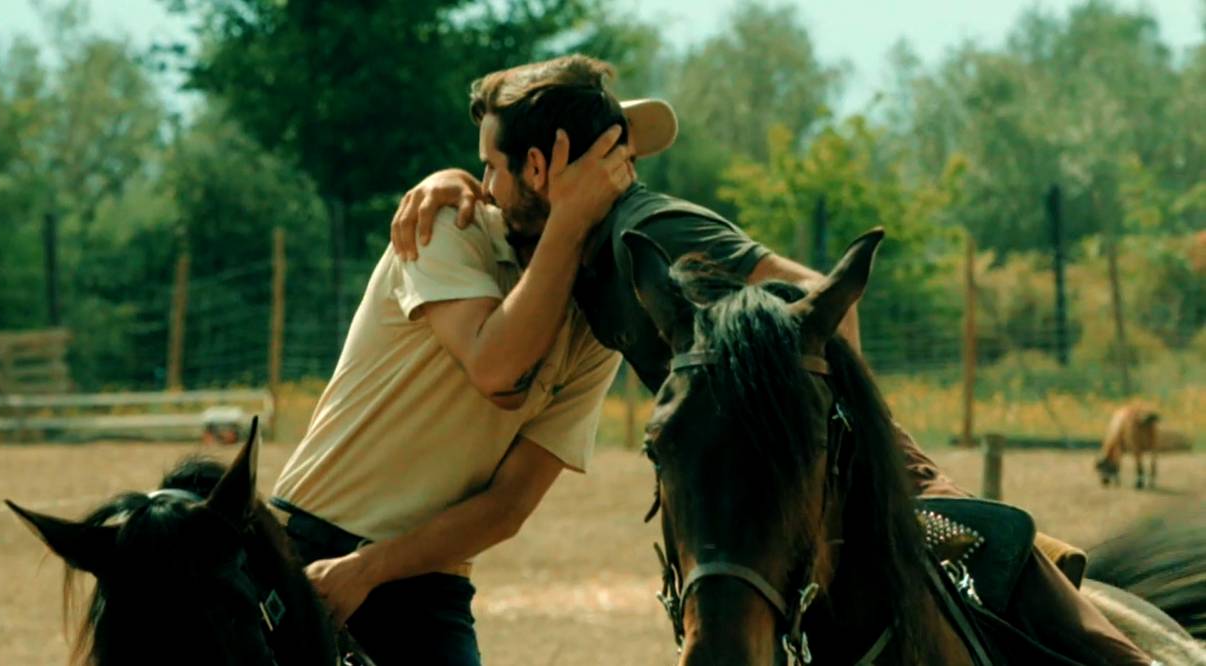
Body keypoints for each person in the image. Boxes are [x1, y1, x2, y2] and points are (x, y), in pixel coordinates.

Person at [392, 53, 1154, 666]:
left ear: (537, 166)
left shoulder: (648, 227)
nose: (484, 191)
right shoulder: (573, 250)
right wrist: (444, 181)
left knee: (981, 550)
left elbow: (822, 298)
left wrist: (826, 427)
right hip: (741, 474)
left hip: (828, 452)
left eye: (489, 168)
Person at [270, 80, 677, 663]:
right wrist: (567, 219)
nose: (619, 173)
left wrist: (370, 568)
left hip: (429, 575)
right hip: (305, 548)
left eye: (623, 156)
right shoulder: (445, 224)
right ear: (544, 166)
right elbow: (496, 367)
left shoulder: (600, 322)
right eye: (604, 157)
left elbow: (509, 506)